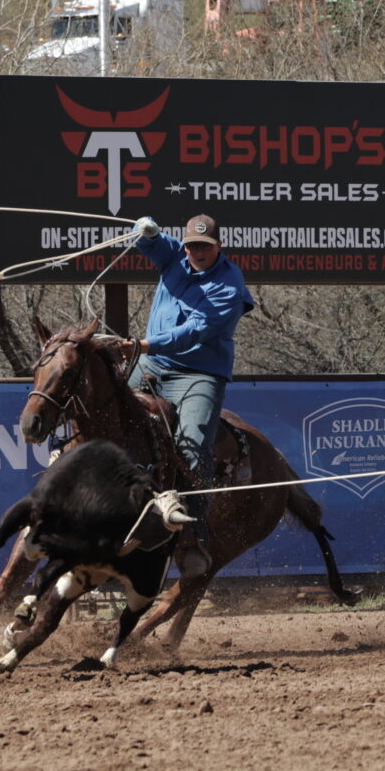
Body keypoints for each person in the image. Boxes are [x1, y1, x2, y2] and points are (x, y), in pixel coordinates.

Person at [129, 213, 254, 577]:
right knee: (108, 408)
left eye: (204, 246)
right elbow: (152, 244)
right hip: (153, 364)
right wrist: (147, 232)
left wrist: (143, 345)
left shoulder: (229, 284)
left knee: (192, 444)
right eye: (192, 245)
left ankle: (194, 538)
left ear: (218, 247)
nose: (197, 252)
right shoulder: (175, 257)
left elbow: (196, 331)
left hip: (199, 373)